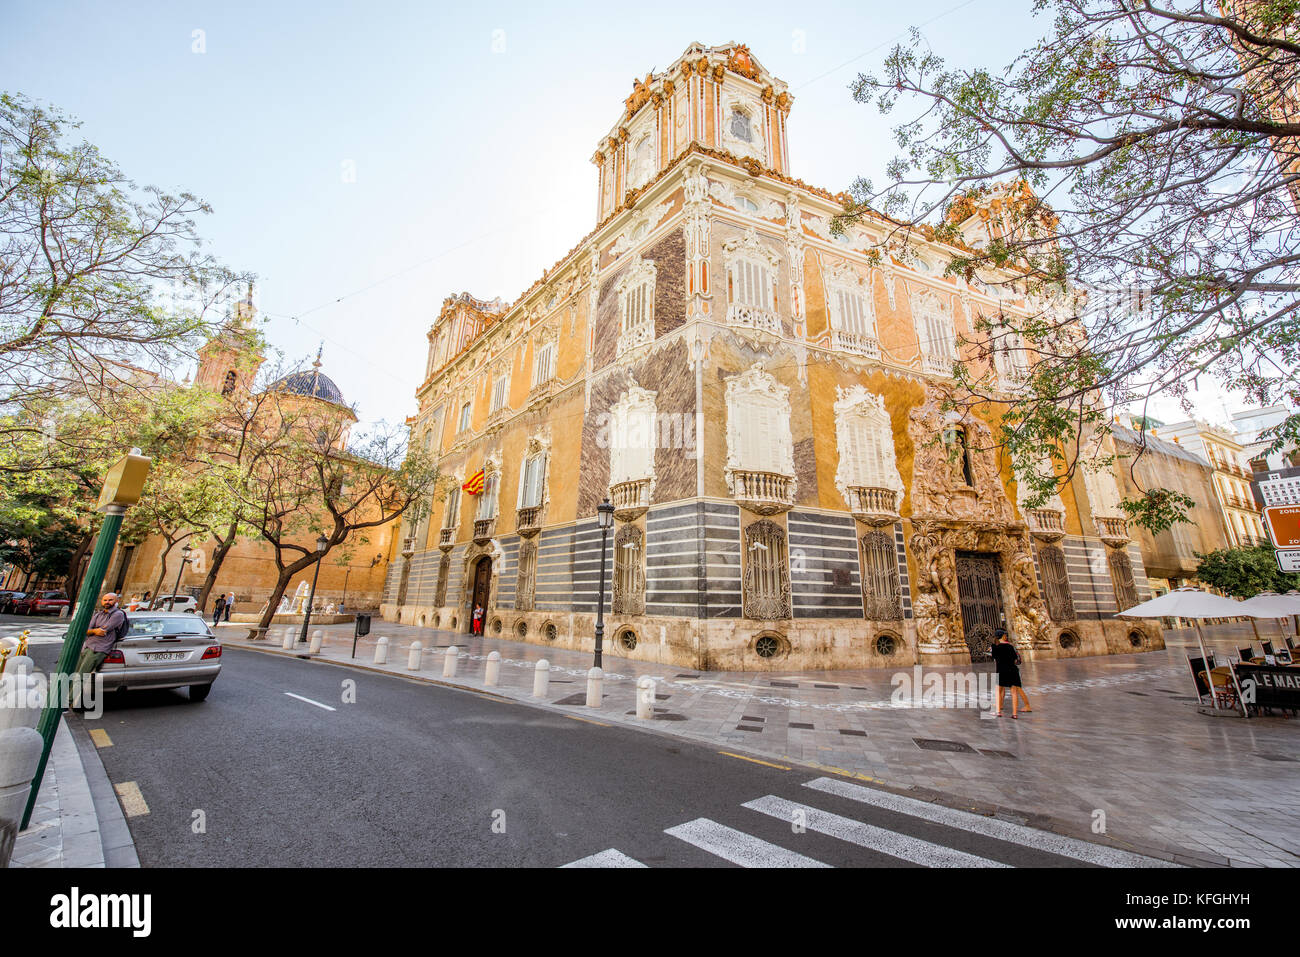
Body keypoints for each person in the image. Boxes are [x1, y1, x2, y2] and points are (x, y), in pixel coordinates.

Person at [73, 592, 130, 709]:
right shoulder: (99, 614)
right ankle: (67, 697)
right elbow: (86, 629)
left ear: (116, 601)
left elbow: (104, 630)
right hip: (88, 646)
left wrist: (92, 630)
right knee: (75, 673)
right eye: (105, 600)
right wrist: (94, 631)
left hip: (99, 649)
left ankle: (68, 700)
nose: (107, 602)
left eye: (110, 600)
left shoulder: (118, 614)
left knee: (81, 675)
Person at [990, 629, 1032, 718]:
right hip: (1012, 670)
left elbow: (994, 656)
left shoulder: (995, 647)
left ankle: (999, 711)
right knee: (1014, 691)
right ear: (1004, 636)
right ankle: (1014, 713)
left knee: (1000, 690)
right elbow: (1015, 658)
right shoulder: (1010, 646)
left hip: (1001, 671)